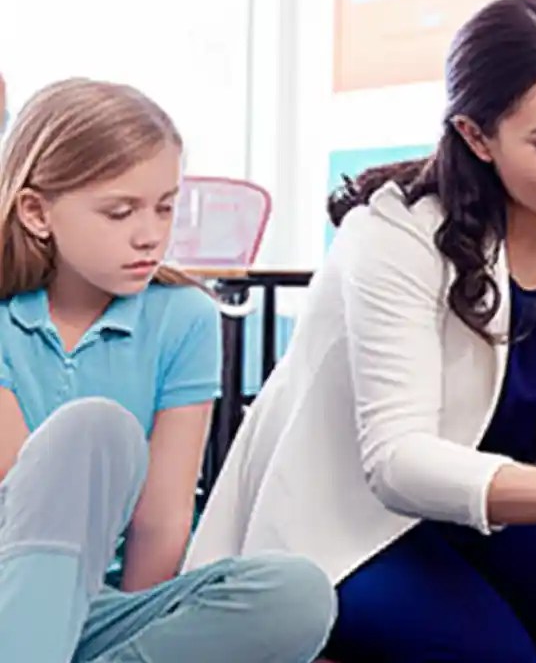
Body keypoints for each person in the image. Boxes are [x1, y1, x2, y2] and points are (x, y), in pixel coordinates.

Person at [185, 0, 536, 662]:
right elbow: (396, 462)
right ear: (476, 137)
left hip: (492, 512)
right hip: (350, 518)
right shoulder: (395, 233)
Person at [0, 78, 335, 662]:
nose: (151, 234)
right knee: (95, 431)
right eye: (120, 211)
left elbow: (163, 515)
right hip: (12, 584)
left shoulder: (185, 317)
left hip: (96, 610)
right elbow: (25, 510)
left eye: (165, 206)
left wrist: (139, 628)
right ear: (36, 212)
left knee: (298, 594)